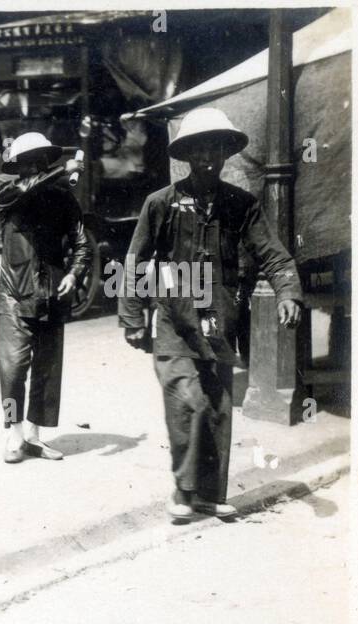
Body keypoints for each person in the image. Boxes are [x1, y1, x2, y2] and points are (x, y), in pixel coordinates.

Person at [119, 108, 303, 522]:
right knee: (190, 403)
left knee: (218, 408)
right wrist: (132, 317)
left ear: (224, 153)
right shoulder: (161, 203)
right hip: (172, 322)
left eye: (216, 147)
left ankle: (208, 494)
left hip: (219, 322)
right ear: (186, 154)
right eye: (199, 148)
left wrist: (288, 291)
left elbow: (272, 254)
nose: (208, 156)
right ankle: (184, 491)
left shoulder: (241, 205)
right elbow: (136, 261)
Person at [0, 131, 90, 463]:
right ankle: (13, 431)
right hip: (13, 297)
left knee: (46, 372)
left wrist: (75, 275)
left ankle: (34, 435)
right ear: (18, 168)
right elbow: (27, 188)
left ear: (46, 162)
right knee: (11, 370)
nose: (33, 169)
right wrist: (66, 169)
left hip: (51, 295)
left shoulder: (64, 200)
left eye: (39, 162)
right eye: (27, 164)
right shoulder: (8, 195)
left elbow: (82, 246)